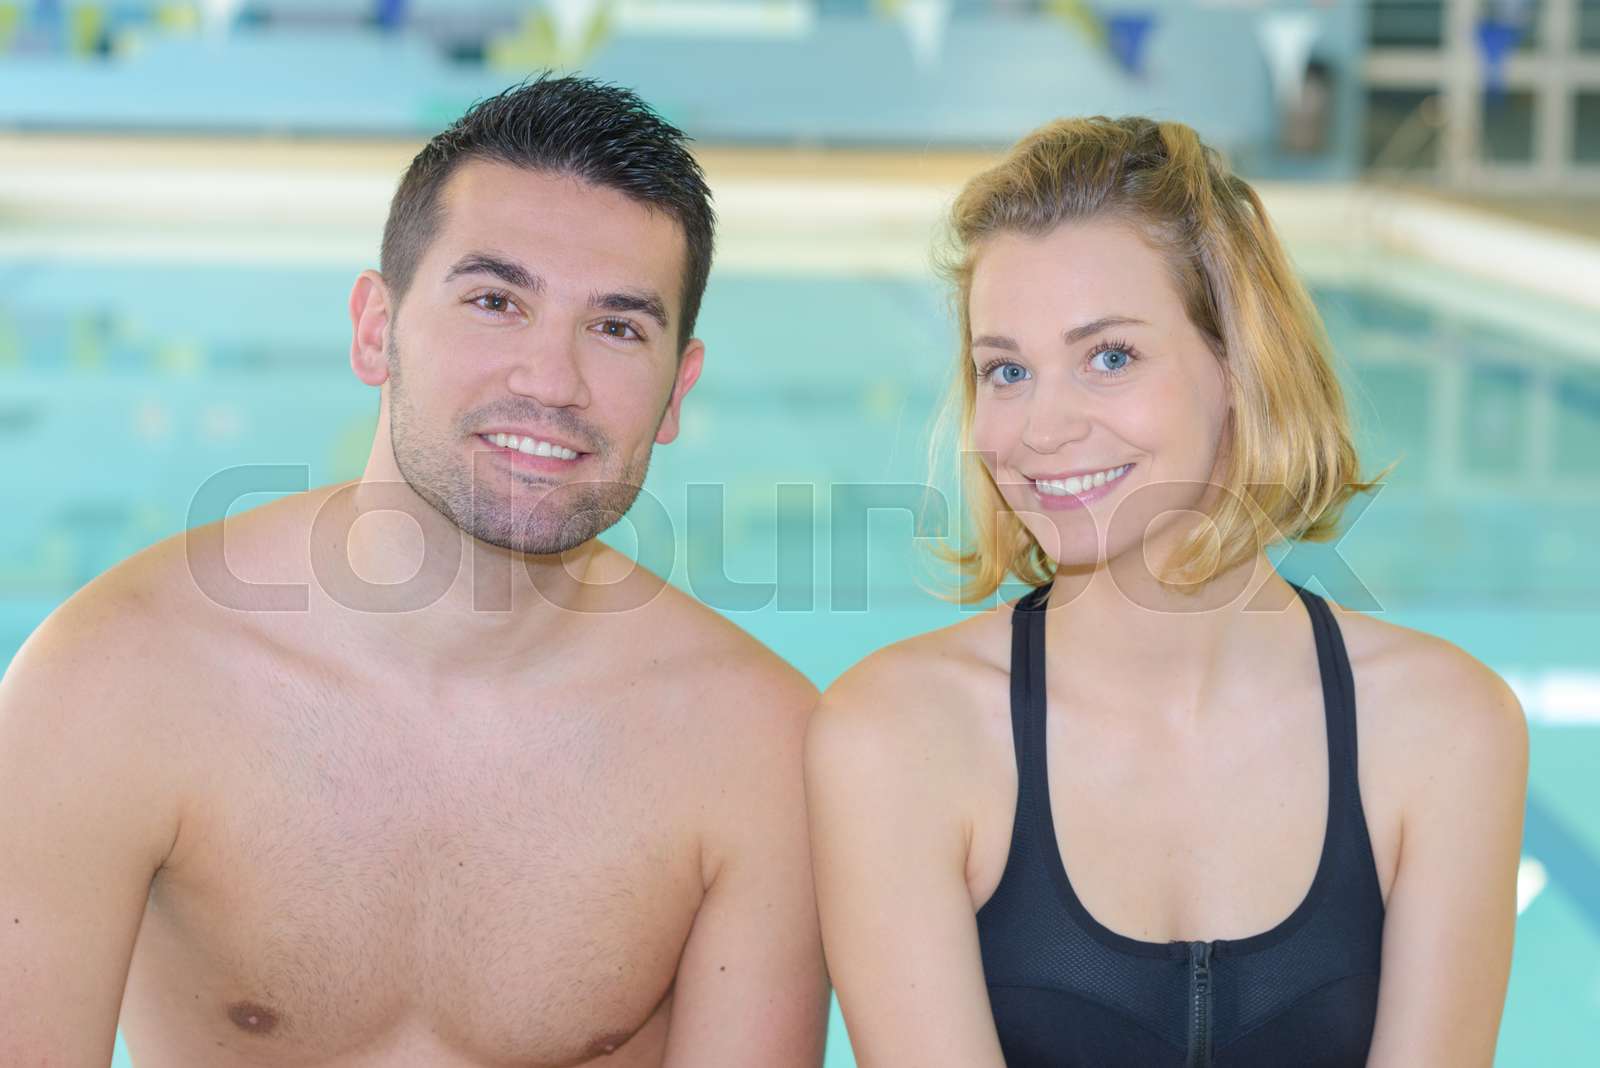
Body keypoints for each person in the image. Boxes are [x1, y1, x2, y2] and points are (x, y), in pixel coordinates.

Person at [0, 75, 828, 1067]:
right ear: (372, 328)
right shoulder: (113, 682)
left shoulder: (757, 745)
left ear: (677, 388)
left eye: (616, 327)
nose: (548, 380)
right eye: (494, 300)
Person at [804, 116, 1528, 1067]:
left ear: (1237, 367)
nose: (1042, 426)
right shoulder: (898, 738)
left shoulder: (1443, 728)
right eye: (1006, 370)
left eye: (1110, 356)